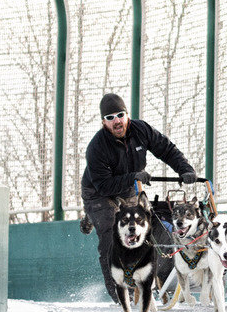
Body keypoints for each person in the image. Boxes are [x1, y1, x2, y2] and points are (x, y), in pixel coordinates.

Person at [80, 92, 196, 300]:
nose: (116, 121)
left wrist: (185, 169)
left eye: (120, 115)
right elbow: (104, 184)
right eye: (110, 118)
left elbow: (166, 149)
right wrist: (133, 176)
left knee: (142, 231)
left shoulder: (141, 130)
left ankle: (148, 282)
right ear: (103, 122)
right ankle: (119, 292)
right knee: (111, 234)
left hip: (128, 189)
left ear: (127, 115)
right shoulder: (96, 147)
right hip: (98, 193)